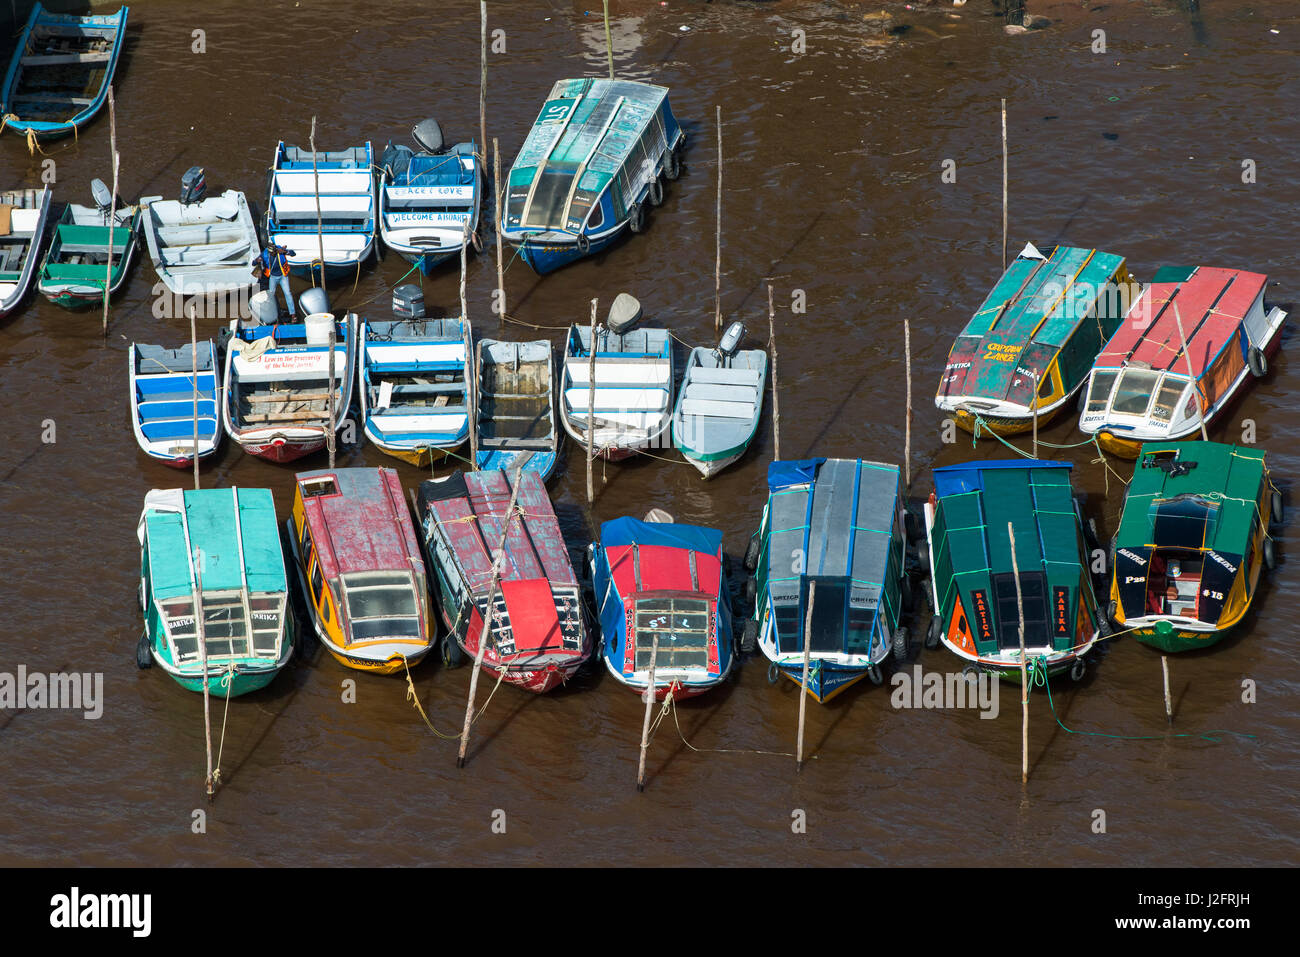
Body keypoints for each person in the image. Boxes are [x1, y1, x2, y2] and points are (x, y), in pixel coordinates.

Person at [253, 242, 297, 320]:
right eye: (271, 253)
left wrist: (285, 252)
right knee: (271, 296)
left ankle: (293, 314)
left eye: (274, 252)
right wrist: (257, 260)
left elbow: (293, 253)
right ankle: (273, 314)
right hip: (272, 277)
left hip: (283, 276)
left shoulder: (280, 250)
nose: (273, 254)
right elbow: (253, 263)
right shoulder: (264, 254)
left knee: (288, 293)